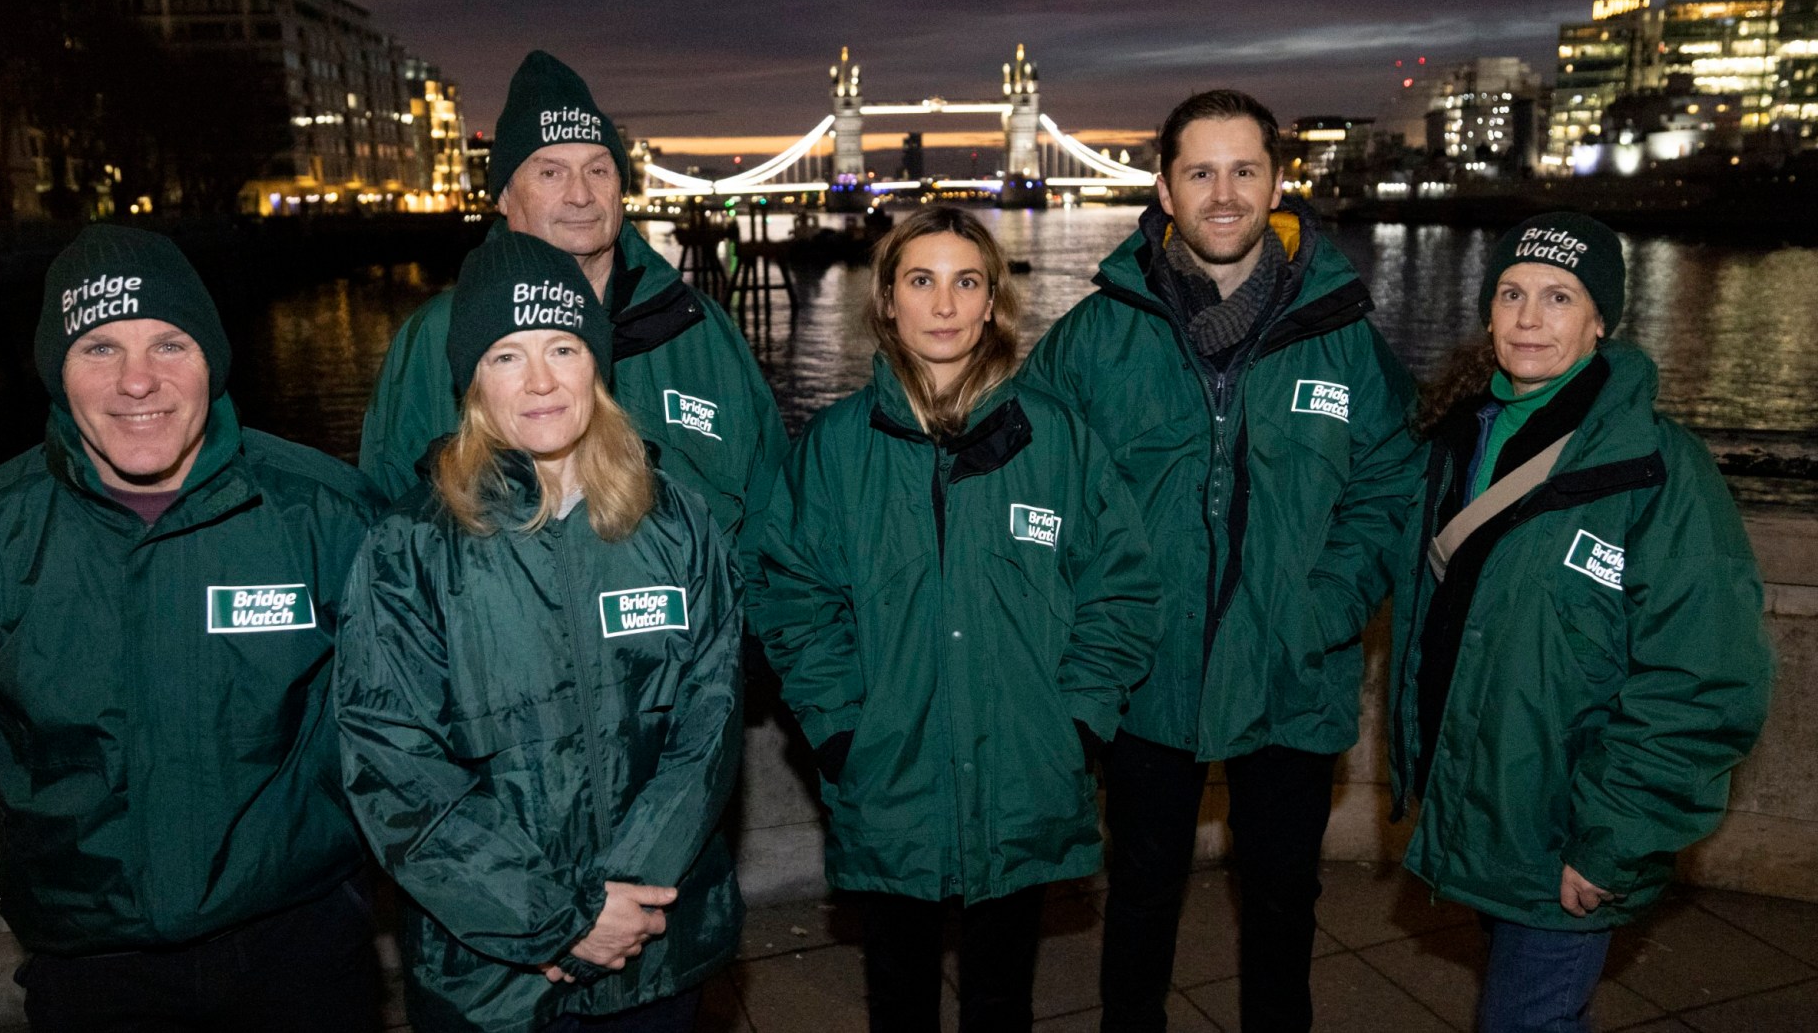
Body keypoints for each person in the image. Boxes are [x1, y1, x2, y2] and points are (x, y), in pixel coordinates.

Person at [0, 225, 384, 1030]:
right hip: (92, 959)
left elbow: (382, 714)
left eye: (169, 342)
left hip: (300, 940)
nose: (138, 382)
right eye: (98, 348)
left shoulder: (330, 516)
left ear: (212, 360)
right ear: (56, 367)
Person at [1019, 89, 1421, 1032]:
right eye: (1200, 171)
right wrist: (1092, 619)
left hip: (1293, 671)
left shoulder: (1343, 334)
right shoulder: (1094, 338)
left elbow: (1393, 476)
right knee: (1143, 896)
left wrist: (1328, 601)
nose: (1225, 192)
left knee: (1284, 903)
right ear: (1163, 189)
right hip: (1149, 673)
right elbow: (1033, 483)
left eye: (1245, 169)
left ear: (1279, 181)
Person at [753, 207, 1163, 1032]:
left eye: (966, 281)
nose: (944, 304)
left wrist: (1075, 723)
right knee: (898, 998)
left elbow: (1121, 590)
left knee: (1002, 998)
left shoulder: (1059, 442)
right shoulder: (835, 447)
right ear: (889, 303)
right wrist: (838, 729)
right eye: (921, 280)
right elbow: (793, 594)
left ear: (992, 304)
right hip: (888, 774)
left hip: (1021, 773)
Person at [335, 230, 744, 1033]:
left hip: (658, 945)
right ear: (473, 381)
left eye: (563, 344)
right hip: (494, 976)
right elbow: (393, 762)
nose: (543, 380)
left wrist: (629, 892)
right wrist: (558, 919)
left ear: (596, 359)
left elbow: (714, 711)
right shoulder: (410, 546)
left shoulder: (678, 520)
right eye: (507, 356)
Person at [1390, 212, 1773, 1033]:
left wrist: (1614, 839)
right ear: (1487, 312)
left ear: (1601, 320)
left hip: (1570, 826)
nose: (1530, 318)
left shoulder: (1661, 471)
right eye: (1512, 293)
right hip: (1483, 808)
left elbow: (1705, 680)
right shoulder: (1457, 441)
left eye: (1559, 297)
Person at [359, 49, 787, 575]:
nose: (581, 195)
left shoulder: (695, 325)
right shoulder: (436, 338)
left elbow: (774, 513)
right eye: (551, 172)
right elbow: (385, 524)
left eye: (598, 169)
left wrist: (733, 636)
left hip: (690, 647)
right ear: (503, 196)